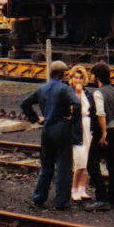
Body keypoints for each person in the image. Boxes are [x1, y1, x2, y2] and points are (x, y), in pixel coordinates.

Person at [20, 60, 80, 210]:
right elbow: (77, 104)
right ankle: (61, 202)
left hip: (47, 129)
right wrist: (73, 119)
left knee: (46, 165)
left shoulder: (42, 89)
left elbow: (25, 103)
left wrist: (35, 118)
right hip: (62, 129)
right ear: (63, 74)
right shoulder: (65, 89)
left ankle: (39, 197)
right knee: (63, 167)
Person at [85, 62, 114, 211]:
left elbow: (101, 114)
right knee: (112, 164)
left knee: (92, 163)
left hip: (103, 132)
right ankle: (113, 198)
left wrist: (103, 133)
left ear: (96, 76)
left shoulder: (98, 93)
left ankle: (101, 198)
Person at [68, 65, 94, 201]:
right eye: (75, 78)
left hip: (87, 126)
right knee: (79, 161)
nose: (78, 81)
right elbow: (73, 111)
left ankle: (82, 188)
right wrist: (77, 94)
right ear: (71, 79)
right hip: (77, 127)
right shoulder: (70, 93)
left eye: (80, 78)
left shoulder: (88, 93)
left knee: (87, 160)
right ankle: (74, 189)